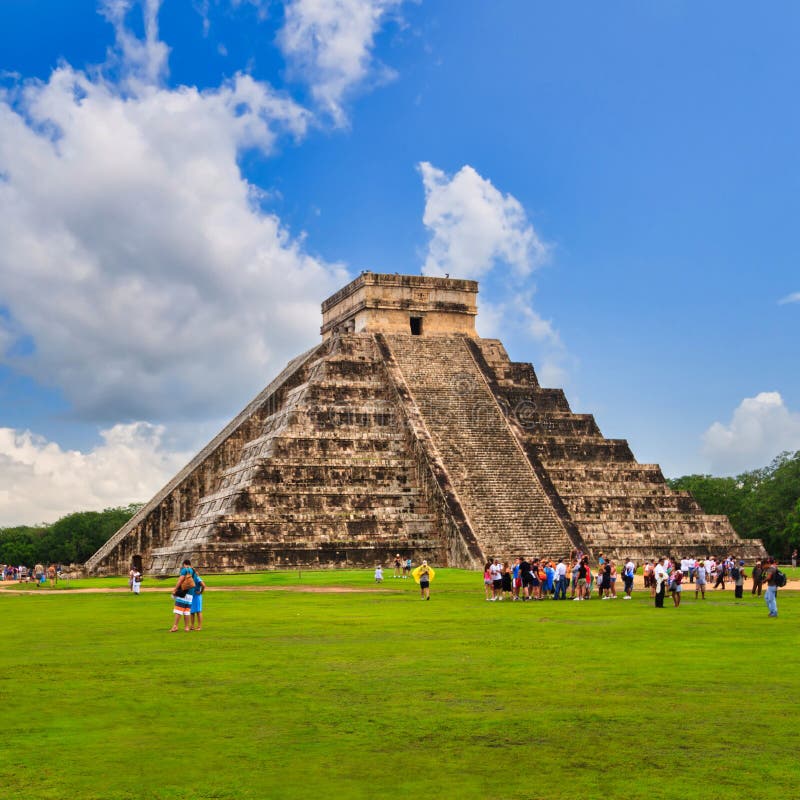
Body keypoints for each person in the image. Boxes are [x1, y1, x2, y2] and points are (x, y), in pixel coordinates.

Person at [170, 560, 196, 632]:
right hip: (191, 593)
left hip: (183, 592)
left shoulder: (184, 570)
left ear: (184, 564)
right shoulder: (193, 571)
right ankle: (187, 627)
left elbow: (180, 580)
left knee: (178, 610)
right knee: (187, 611)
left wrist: (175, 589)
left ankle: (175, 626)